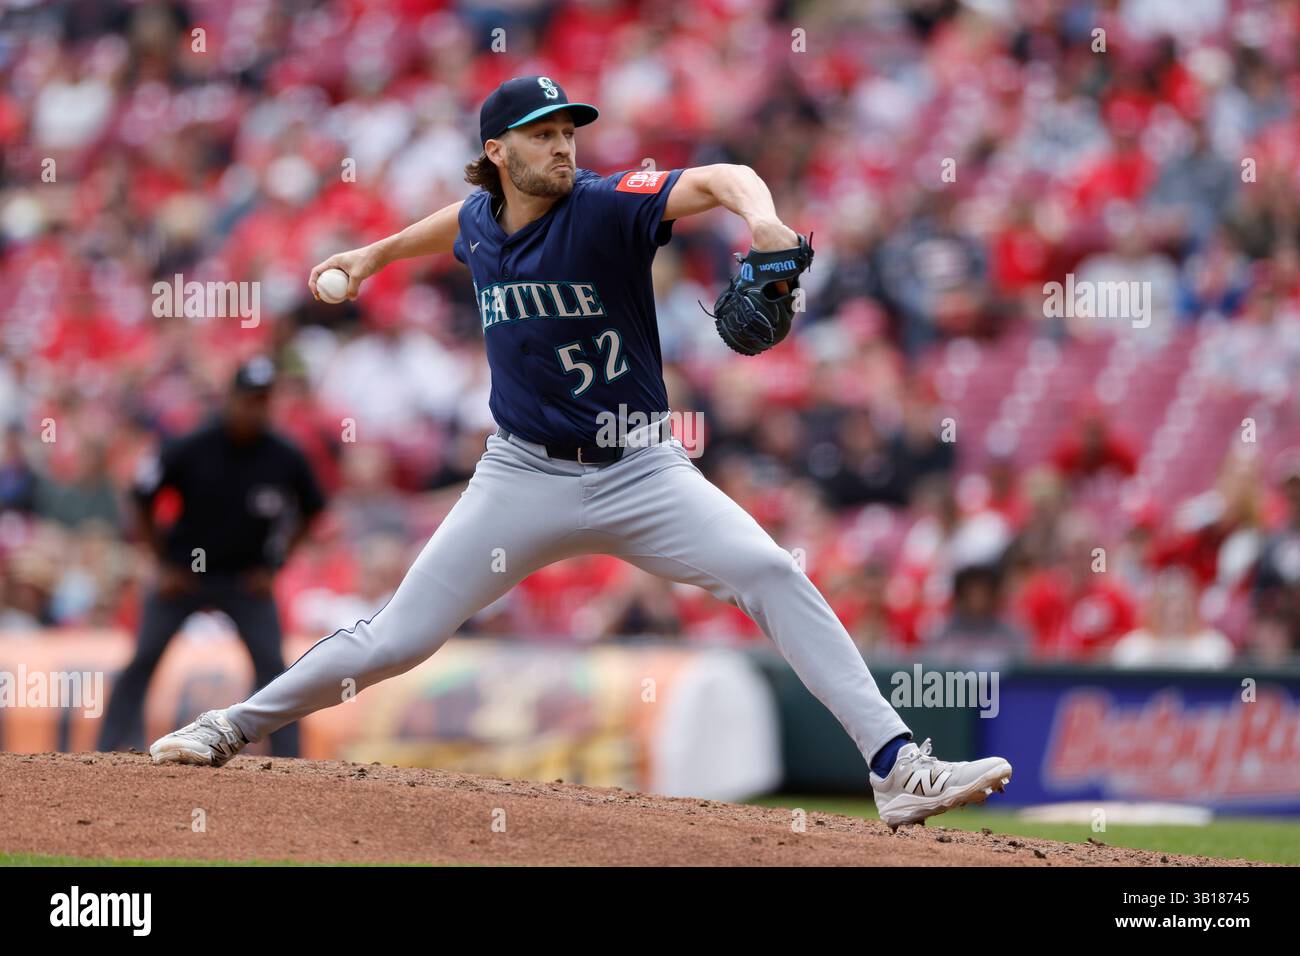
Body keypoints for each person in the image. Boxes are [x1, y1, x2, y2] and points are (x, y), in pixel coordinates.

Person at [149, 76, 1011, 828]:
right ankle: (230, 725)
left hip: (641, 468)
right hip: (521, 476)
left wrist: (766, 218)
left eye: (569, 132)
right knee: (395, 640)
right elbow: (460, 222)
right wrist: (375, 254)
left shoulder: (604, 204)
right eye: (544, 135)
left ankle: (897, 768)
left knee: (772, 572)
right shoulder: (485, 221)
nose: (565, 146)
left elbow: (716, 177)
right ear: (497, 151)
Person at [98, 357, 325, 758]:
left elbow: (313, 511)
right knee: (143, 658)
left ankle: (292, 761)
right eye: (249, 398)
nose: (255, 408)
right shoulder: (189, 447)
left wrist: (274, 567)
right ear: (231, 398)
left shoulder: (284, 456)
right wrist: (163, 563)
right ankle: (109, 748)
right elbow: (141, 499)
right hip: (184, 576)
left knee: (273, 664)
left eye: (264, 400)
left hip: (244, 580)